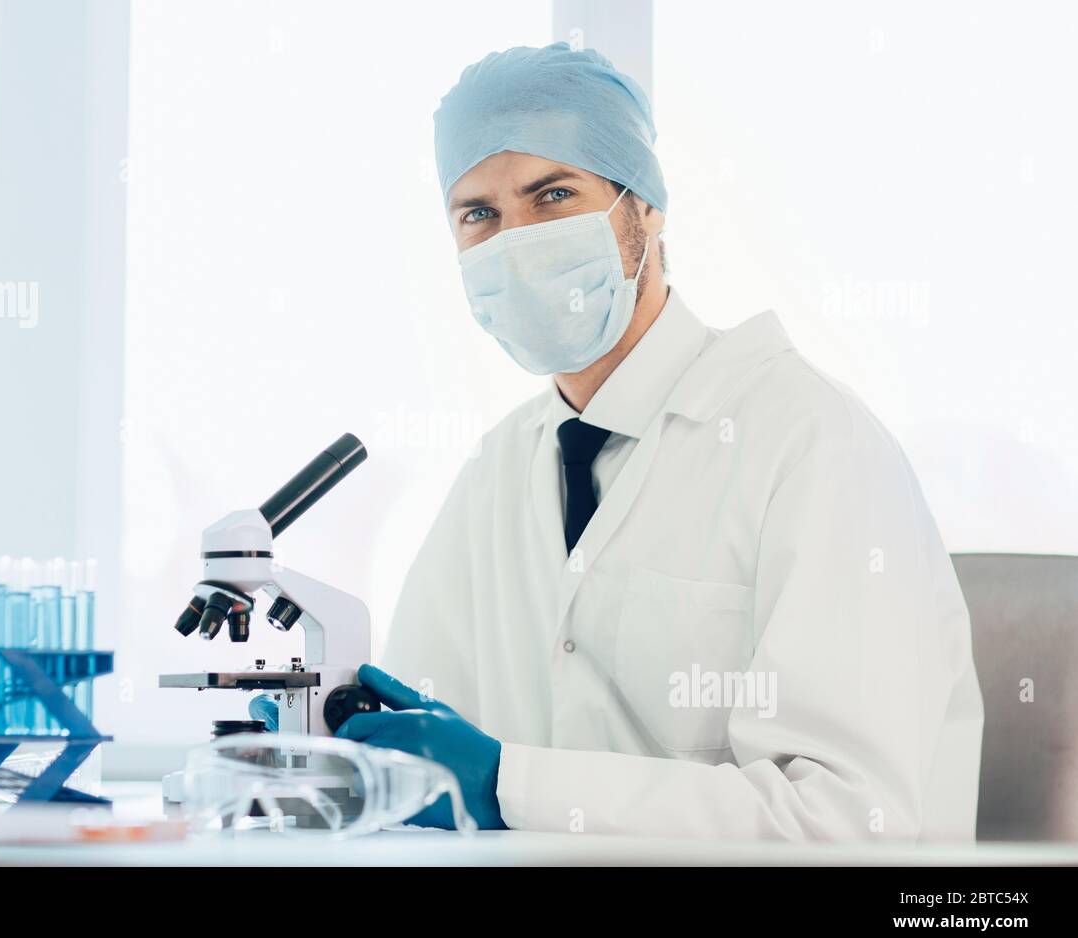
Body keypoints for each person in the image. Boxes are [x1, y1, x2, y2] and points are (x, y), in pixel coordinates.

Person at [266, 42, 984, 841]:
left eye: (554, 195)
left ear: (645, 209)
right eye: (479, 214)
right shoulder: (497, 470)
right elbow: (427, 753)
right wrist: (340, 743)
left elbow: (848, 821)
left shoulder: (813, 444)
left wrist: (511, 783)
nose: (517, 239)